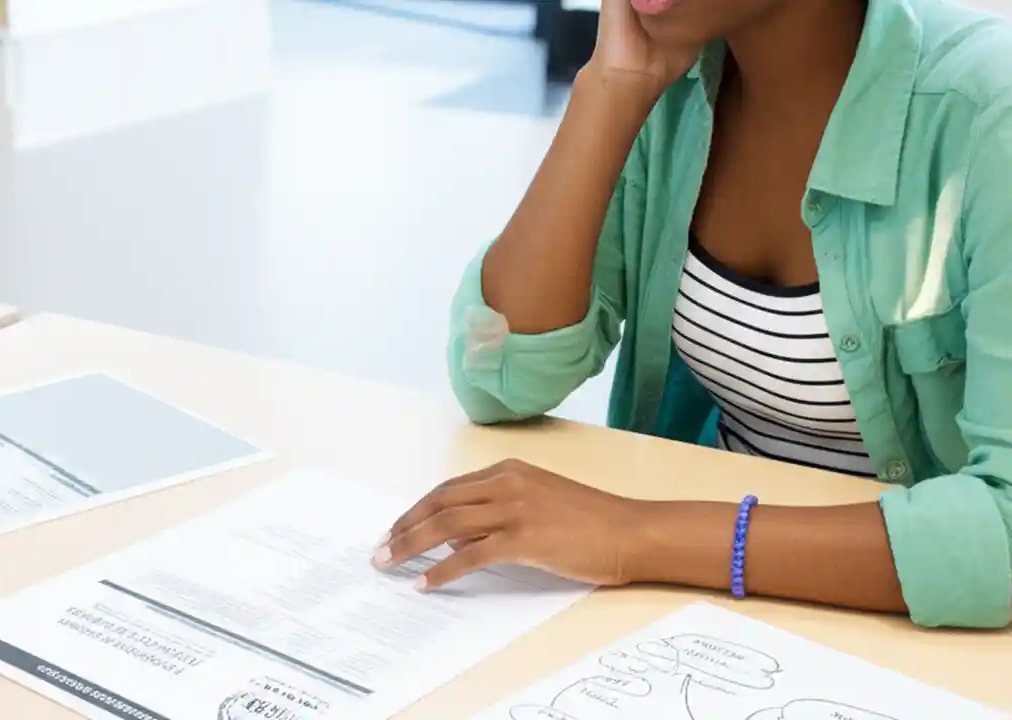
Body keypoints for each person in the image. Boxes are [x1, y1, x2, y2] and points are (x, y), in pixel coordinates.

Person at [373, 0, 1012, 629]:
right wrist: (608, 92)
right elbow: (500, 379)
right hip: (708, 620)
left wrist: (639, 534)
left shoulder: (987, 113)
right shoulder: (676, 84)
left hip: (922, 647)